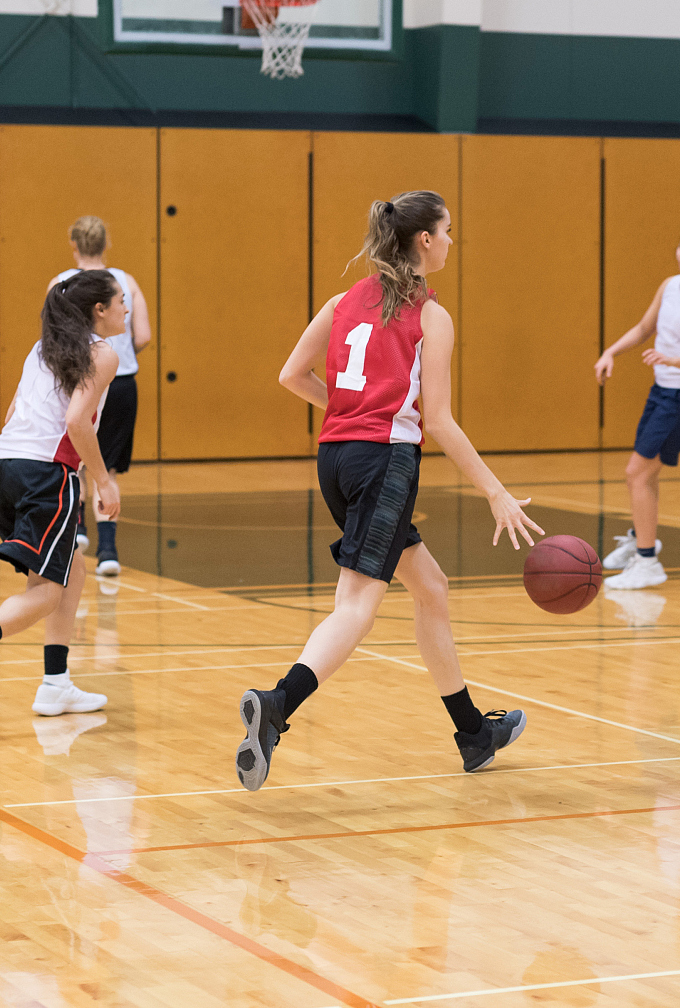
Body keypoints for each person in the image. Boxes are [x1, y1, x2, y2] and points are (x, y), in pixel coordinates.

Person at [233, 190, 547, 793]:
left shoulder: (342, 300)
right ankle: (277, 704)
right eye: (448, 231)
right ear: (424, 240)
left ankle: (472, 733)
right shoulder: (431, 315)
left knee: (430, 587)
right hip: (384, 463)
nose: (453, 241)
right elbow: (441, 421)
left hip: (336, 456)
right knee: (356, 603)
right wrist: (495, 492)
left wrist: (351, 411)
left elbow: (291, 375)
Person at [0, 270, 123, 718]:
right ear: (99, 310)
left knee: (71, 571)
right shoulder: (103, 353)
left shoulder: (43, 349)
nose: (125, 308)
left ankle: (56, 684)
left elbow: (14, 411)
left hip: (4, 467)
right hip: (46, 472)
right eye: (120, 301)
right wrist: (104, 481)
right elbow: (76, 421)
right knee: (49, 591)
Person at [594, 224, 680, 590]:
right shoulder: (669, 285)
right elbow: (642, 328)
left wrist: (668, 358)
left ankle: (648, 561)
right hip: (662, 392)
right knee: (646, 475)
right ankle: (644, 540)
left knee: (635, 473)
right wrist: (610, 352)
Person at [51, 216, 151, 577]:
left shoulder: (59, 283)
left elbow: (52, 339)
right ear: (106, 244)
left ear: (74, 246)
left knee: (74, 460)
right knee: (104, 466)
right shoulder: (125, 282)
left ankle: (76, 528)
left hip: (76, 381)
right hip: (120, 381)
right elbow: (142, 336)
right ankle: (108, 550)